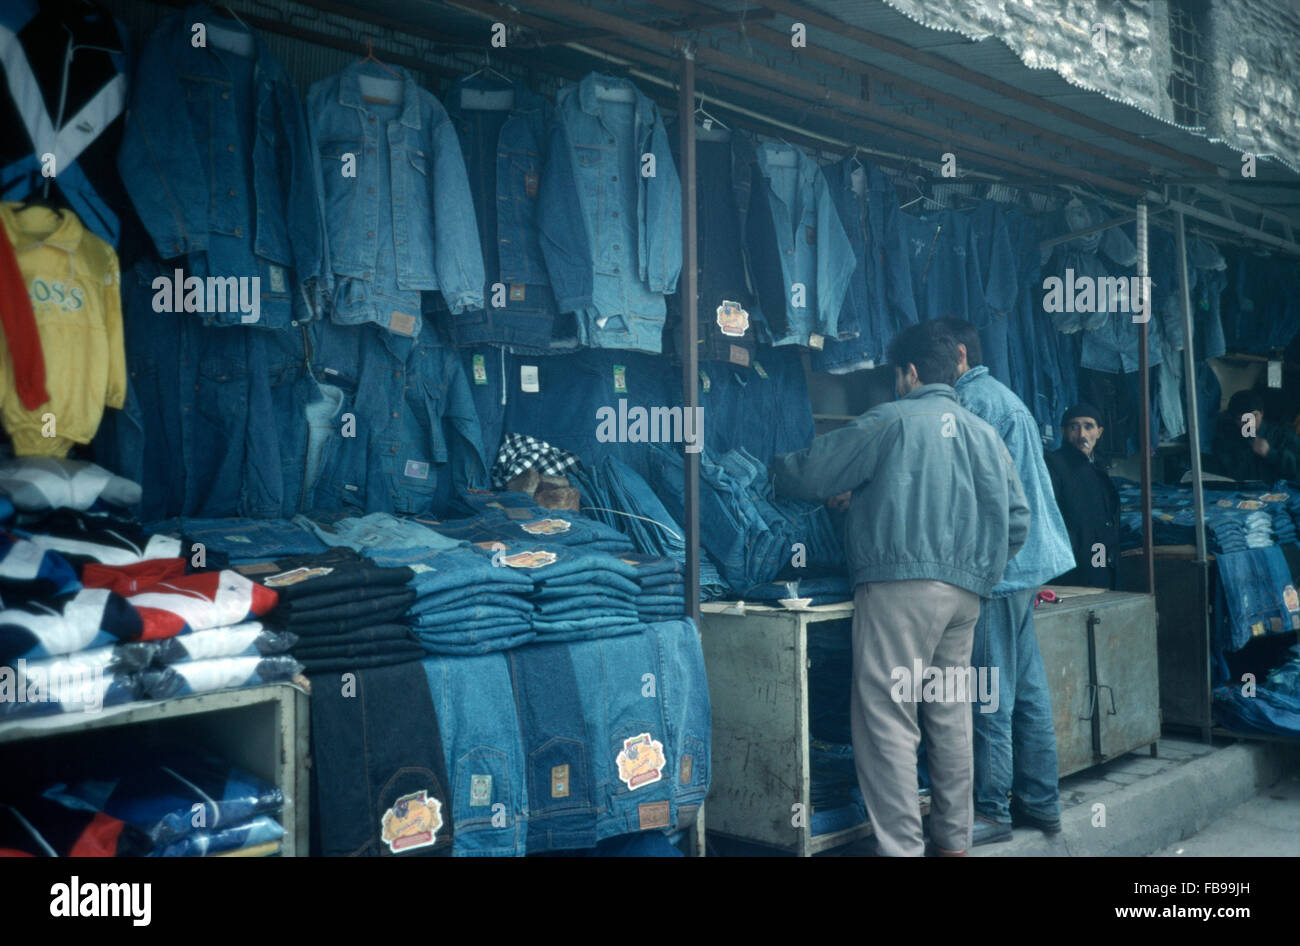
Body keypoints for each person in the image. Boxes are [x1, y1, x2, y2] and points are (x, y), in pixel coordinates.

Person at [771, 322, 1030, 857]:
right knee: (950, 715)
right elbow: (1018, 521)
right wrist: (982, 572)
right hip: (966, 597)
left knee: (889, 719)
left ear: (908, 374)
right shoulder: (983, 433)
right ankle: (954, 844)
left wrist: (774, 471)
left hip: (900, 588)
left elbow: (811, 473)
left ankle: (903, 850)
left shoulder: (889, 421)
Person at [935, 318, 1074, 845]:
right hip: (1022, 567)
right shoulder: (1001, 395)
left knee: (990, 693)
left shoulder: (973, 404)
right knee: (1027, 692)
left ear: (962, 355)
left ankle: (991, 812)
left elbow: (965, 493)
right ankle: (1042, 804)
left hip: (1000, 570)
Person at [1044, 403, 1121, 589]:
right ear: (1063, 431)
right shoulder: (1054, 463)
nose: (1082, 435)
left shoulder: (1097, 466)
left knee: (1100, 587)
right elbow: (1049, 513)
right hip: (1070, 560)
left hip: (1097, 550)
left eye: (1088, 426)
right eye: (1074, 427)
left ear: (1099, 432)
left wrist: (1100, 561)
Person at [1210, 389, 1300, 482]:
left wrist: (1270, 453)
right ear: (1234, 420)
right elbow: (1224, 473)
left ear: (1262, 412)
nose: (1249, 423)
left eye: (1254, 416)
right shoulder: (1226, 438)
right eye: (1242, 419)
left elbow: (1297, 472)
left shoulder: (1283, 436)